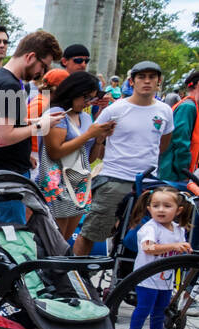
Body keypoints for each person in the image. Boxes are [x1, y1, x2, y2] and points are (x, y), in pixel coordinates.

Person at [0, 29, 62, 301]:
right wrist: (39, 126)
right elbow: (3, 136)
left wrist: (25, 152)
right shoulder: (9, 84)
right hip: (6, 179)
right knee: (7, 244)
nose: (42, 73)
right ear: (31, 56)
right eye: (43, 65)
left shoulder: (1, 81)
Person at [73, 61, 174, 257]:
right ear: (131, 81)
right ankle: (73, 279)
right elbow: (95, 136)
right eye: (141, 77)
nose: (147, 81)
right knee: (92, 232)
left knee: (141, 237)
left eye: (151, 77)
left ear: (158, 82)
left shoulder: (165, 111)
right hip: (114, 179)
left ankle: (125, 280)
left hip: (148, 183)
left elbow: (163, 144)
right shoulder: (116, 109)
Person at [34, 71, 114, 239]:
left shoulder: (85, 117)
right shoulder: (56, 113)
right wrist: (88, 135)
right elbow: (55, 152)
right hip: (57, 183)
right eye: (85, 97)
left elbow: (89, 159)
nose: (88, 102)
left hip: (79, 181)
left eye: (91, 98)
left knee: (66, 239)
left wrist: (99, 139)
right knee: (55, 240)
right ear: (73, 91)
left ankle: (58, 266)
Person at [124, 187, 192, 329]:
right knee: (144, 307)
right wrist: (174, 246)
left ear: (178, 210)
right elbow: (149, 248)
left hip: (166, 279)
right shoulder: (150, 228)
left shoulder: (179, 229)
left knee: (161, 307)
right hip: (146, 277)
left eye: (167, 206)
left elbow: (178, 252)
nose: (161, 210)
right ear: (149, 208)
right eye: (156, 206)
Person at [159, 69, 198, 185]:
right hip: (174, 175)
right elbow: (180, 142)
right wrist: (184, 174)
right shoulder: (188, 107)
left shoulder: (190, 106)